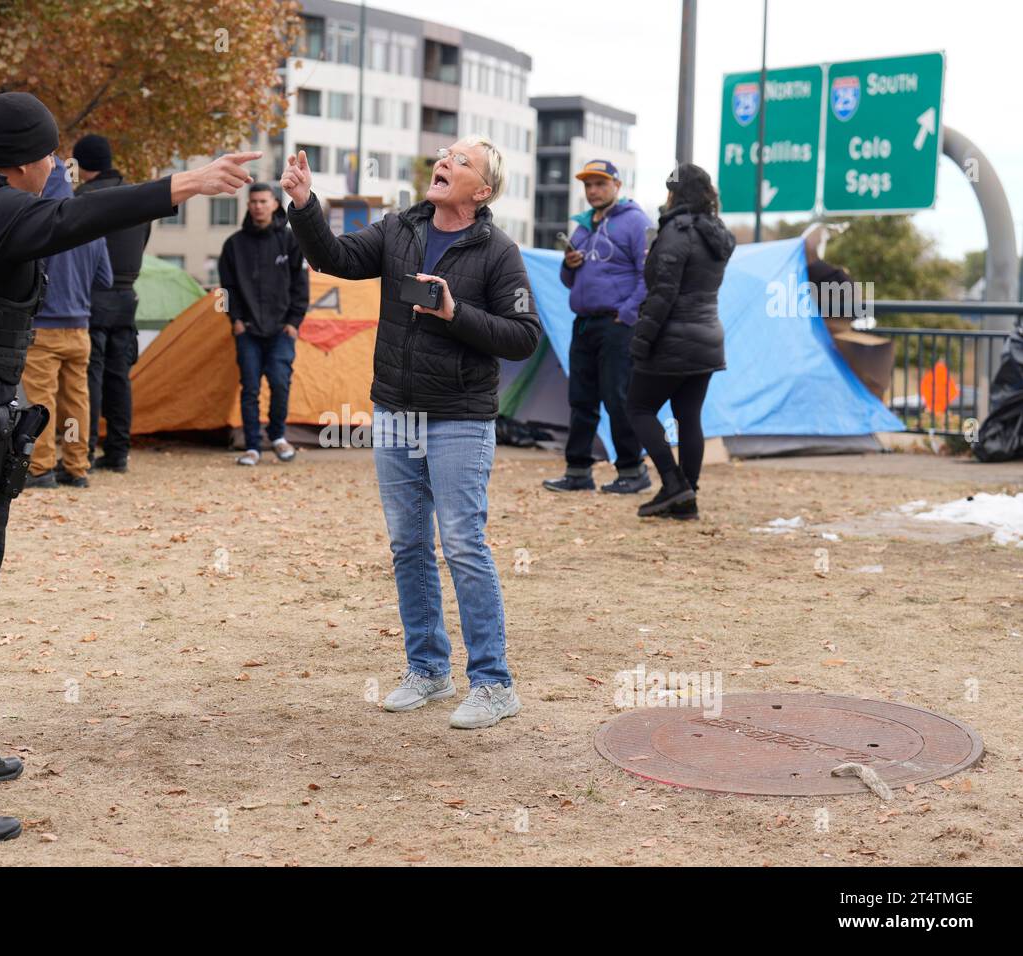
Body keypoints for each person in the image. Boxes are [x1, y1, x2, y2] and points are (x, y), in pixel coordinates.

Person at [0, 90, 261, 843]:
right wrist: (185, 185)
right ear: (29, 161)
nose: (51, 173)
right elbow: (75, 220)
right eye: (48, 160)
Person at [281, 137, 541, 730]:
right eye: (444, 155)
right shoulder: (400, 228)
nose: (444, 162)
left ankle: (494, 683)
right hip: (397, 413)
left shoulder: (499, 252)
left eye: (461, 160)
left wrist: (456, 313)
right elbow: (336, 259)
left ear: (483, 190)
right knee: (408, 546)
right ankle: (427, 670)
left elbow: (523, 336)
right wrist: (304, 205)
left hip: (460, 419)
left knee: (464, 546)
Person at [626, 163, 736, 520]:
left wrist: (641, 340)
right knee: (689, 416)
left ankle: (674, 485)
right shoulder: (714, 232)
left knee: (638, 408)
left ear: (677, 192)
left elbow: (663, 296)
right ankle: (687, 498)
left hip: (673, 338)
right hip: (707, 337)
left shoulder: (677, 231)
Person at [543, 159, 652, 494]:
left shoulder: (636, 222)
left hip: (616, 324)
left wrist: (628, 314)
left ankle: (633, 471)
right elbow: (566, 280)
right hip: (584, 323)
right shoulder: (582, 227)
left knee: (618, 397)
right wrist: (568, 264)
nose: (593, 191)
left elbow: (649, 273)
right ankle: (578, 472)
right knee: (581, 398)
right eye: (588, 185)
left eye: (600, 184)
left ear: (617, 186)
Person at [23, 156, 112, 489]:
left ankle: (40, 468)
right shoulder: (91, 225)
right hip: (80, 327)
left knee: (41, 400)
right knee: (77, 400)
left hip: (42, 327)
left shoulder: (39, 221)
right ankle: (76, 467)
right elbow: (105, 279)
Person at [72, 134, 148, 473]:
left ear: (81, 164)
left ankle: (83, 452)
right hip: (127, 298)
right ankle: (118, 453)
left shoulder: (82, 199)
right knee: (120, 378)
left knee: (89, 378)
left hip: (90, 298)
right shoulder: (137, 198)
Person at [218, 182, 309, 465]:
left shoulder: (291, 241)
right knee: (250, 388)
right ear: (248, 206)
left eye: (263, 201)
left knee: (280, 383)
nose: (258, 206)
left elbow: (301, 286)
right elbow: (224, 290)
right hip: (248, 330)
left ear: (274, 205)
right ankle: (253, 447)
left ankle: (278, 436)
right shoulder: (234, 245)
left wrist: (294, 322)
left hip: (282, 329)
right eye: (253, 202)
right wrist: (235, 321)